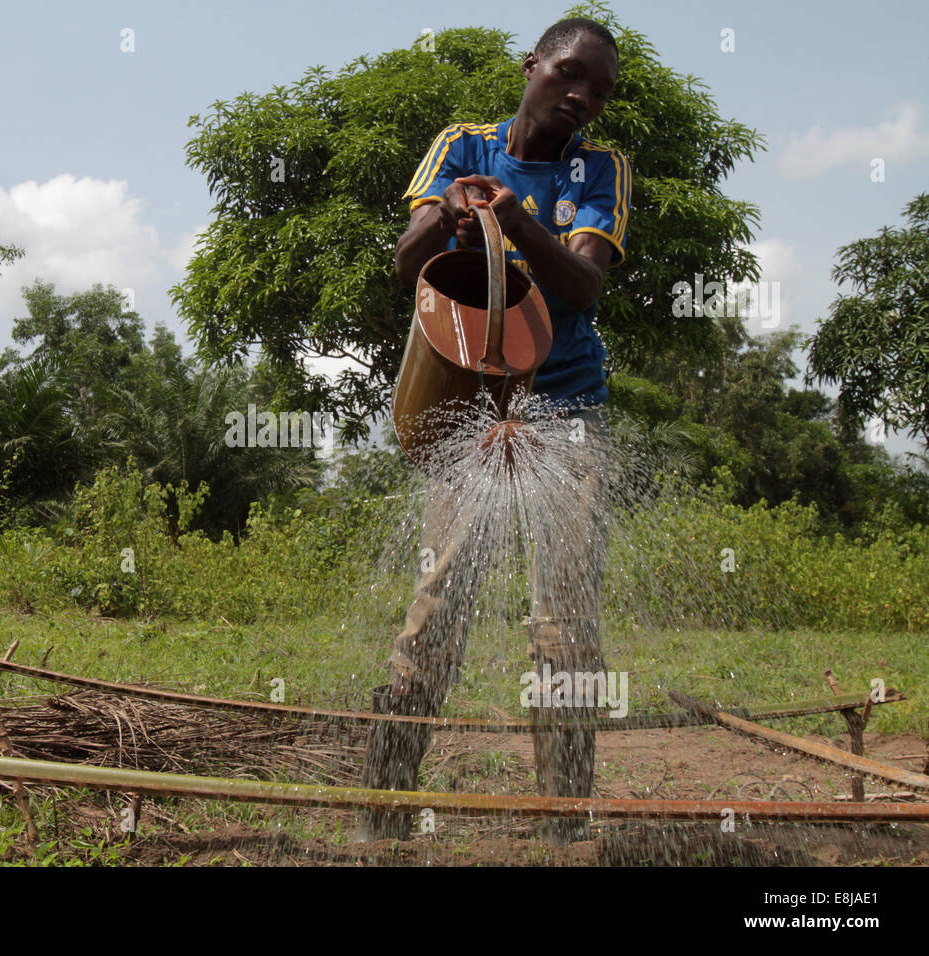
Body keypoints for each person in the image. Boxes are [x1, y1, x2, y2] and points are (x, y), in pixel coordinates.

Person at [357, 17, 630, 844]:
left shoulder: (600, 169)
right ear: (532, 65)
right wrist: (443, 217)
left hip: (565, 413)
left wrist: (519, 224)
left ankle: (565, 825)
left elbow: (581, 286)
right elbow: (407, 266)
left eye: (599, 89)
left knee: (566, 621)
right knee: (436, 606)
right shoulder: (461, 147)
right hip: (474, 409)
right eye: (569, 73)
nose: (580, 96)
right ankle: (386, 816)